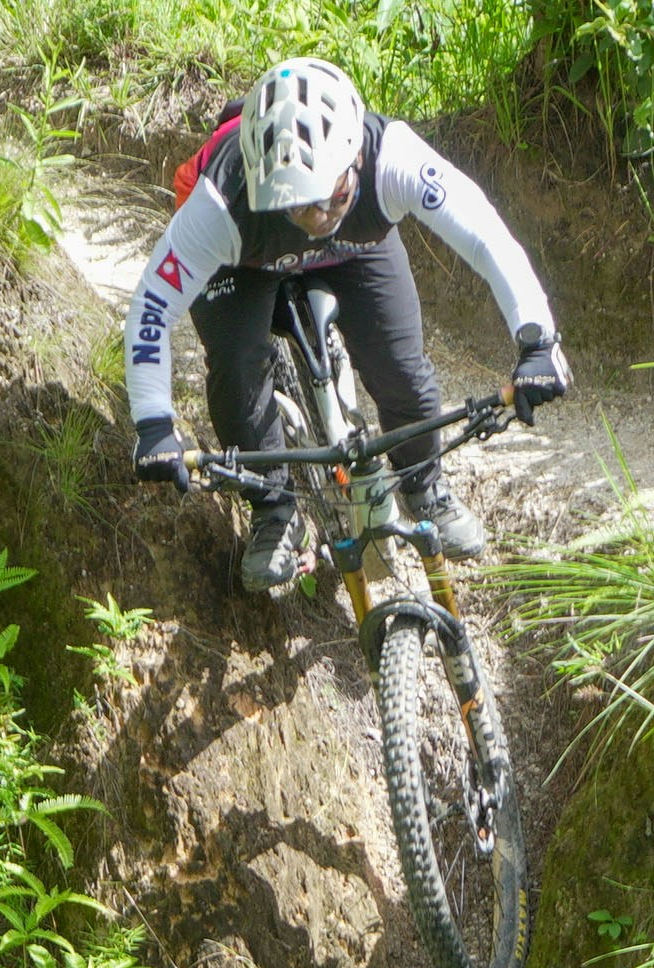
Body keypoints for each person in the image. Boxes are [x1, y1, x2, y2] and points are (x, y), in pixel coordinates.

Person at [122, 56, 569, 597]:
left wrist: (537, 340)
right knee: (238, 366)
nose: (316, 221)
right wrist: (153, 423)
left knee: (400, 367)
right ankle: (275, 513)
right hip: (244, 258)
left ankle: (424, 487)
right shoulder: (220, 200)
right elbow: (153, 306)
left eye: (330, 200)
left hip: (357, 247)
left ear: (356, 156)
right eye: (299, 208)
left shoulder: (392, 157)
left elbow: (485, 237)